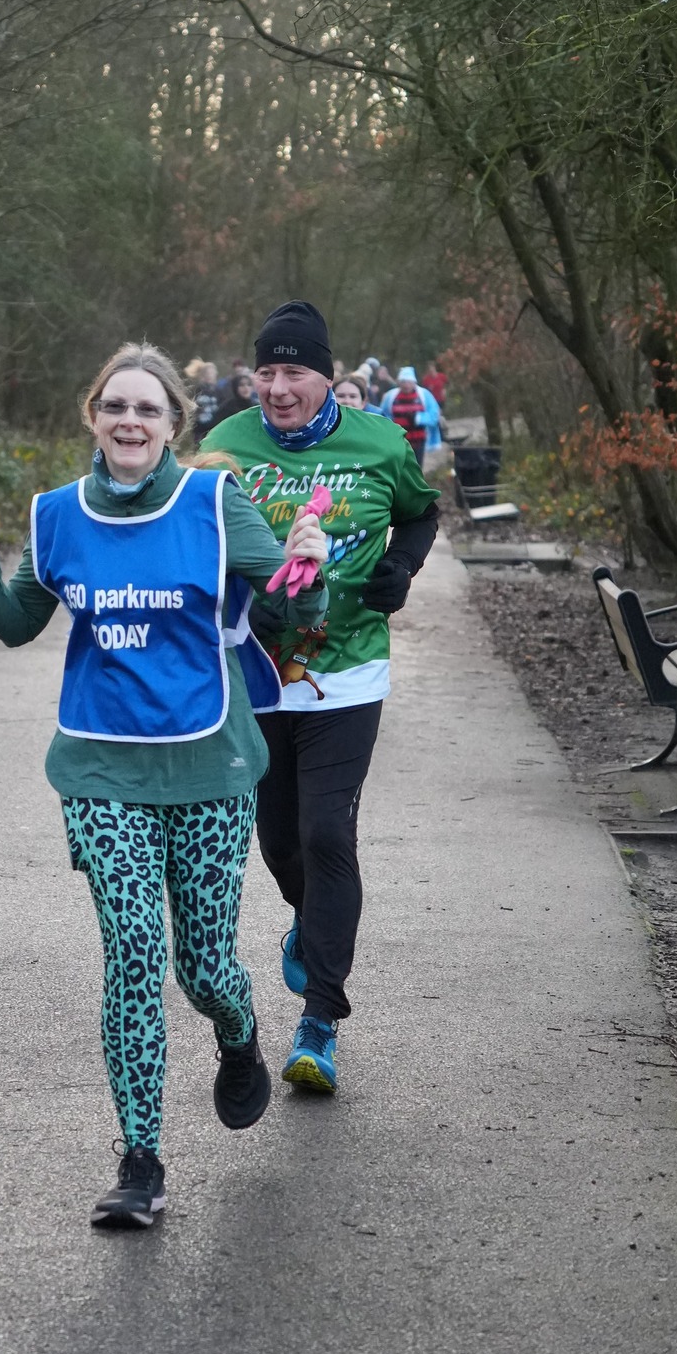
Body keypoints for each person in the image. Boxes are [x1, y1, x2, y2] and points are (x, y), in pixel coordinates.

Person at [0, 342, 327, 1231]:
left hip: (209, 767)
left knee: (204, 966)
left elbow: (292, 607)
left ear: (172, 427)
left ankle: (238, 1033)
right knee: (133, 956)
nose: (129, 421)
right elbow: (13, 622)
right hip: (100, 768)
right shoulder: (56, 515)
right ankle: (140, 1160)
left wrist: (308, 574)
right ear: (92, 415)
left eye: (148, 410)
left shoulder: (215, 505)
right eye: (115, 406)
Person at [203, 303, 439, 1095]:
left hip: (348, 674)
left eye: (293, 371)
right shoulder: (221, 449)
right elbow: (188, 537)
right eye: (265, 371)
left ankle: (319, 1021)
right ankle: (310, 922)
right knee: (278, 844)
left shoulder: (379, 443)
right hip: (255, 676)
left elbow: (420, 513)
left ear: (326, 377)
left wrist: (398, 573)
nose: (276, 387)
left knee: (326, 834)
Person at [184, 357, 219, 445]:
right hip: (199, 427)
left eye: (212, 373)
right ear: (203, 375)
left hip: (213, 426)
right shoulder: (197, 390)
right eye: (208, 373)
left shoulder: (218, 391)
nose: (210, 375)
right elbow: (190, 406)